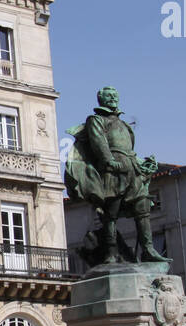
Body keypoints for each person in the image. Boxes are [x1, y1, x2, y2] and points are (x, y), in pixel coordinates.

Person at [65, 86, 168, 264]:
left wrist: (144, 164)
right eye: (108, 96)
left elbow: (130, 150)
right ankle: (111, 252)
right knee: (110, 212)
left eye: (115, 96)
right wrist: (108, 160)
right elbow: (99, 142)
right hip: (113, 170)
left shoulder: (124, 125)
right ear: (101, 100)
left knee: (142, 207)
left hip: (132, 168)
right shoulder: (96, 120)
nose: (112, 99)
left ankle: (148, 249)